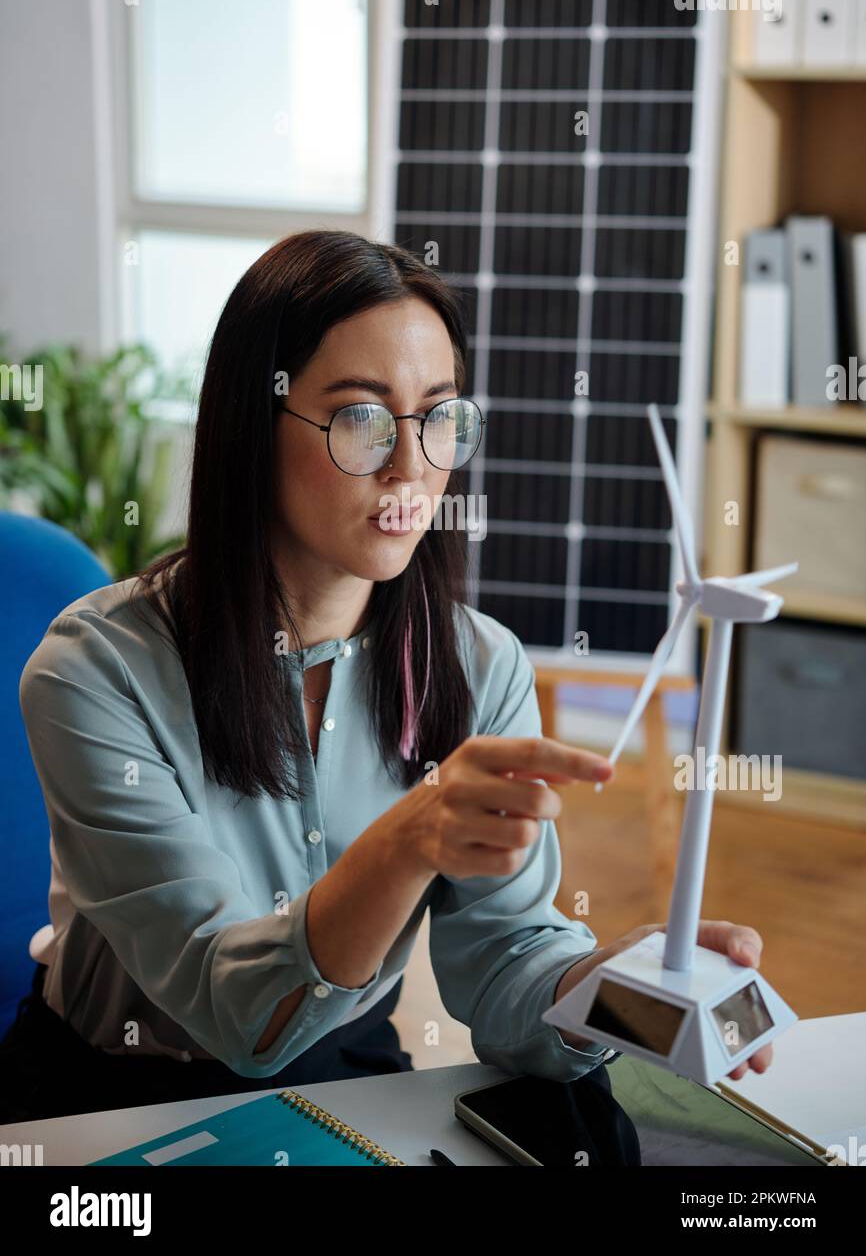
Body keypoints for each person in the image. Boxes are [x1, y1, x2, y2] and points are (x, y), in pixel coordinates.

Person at [0, 231, 771, 1123]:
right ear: (258, 423)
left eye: (439, 416)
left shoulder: (479, 664)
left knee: (584, 1119)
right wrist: (410, 840)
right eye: (361, 418)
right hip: (113, 1095)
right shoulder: (96, 670)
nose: (412, 466)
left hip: (342, 1061)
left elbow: (504, 967)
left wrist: (616, 985)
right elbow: (229, 1010)